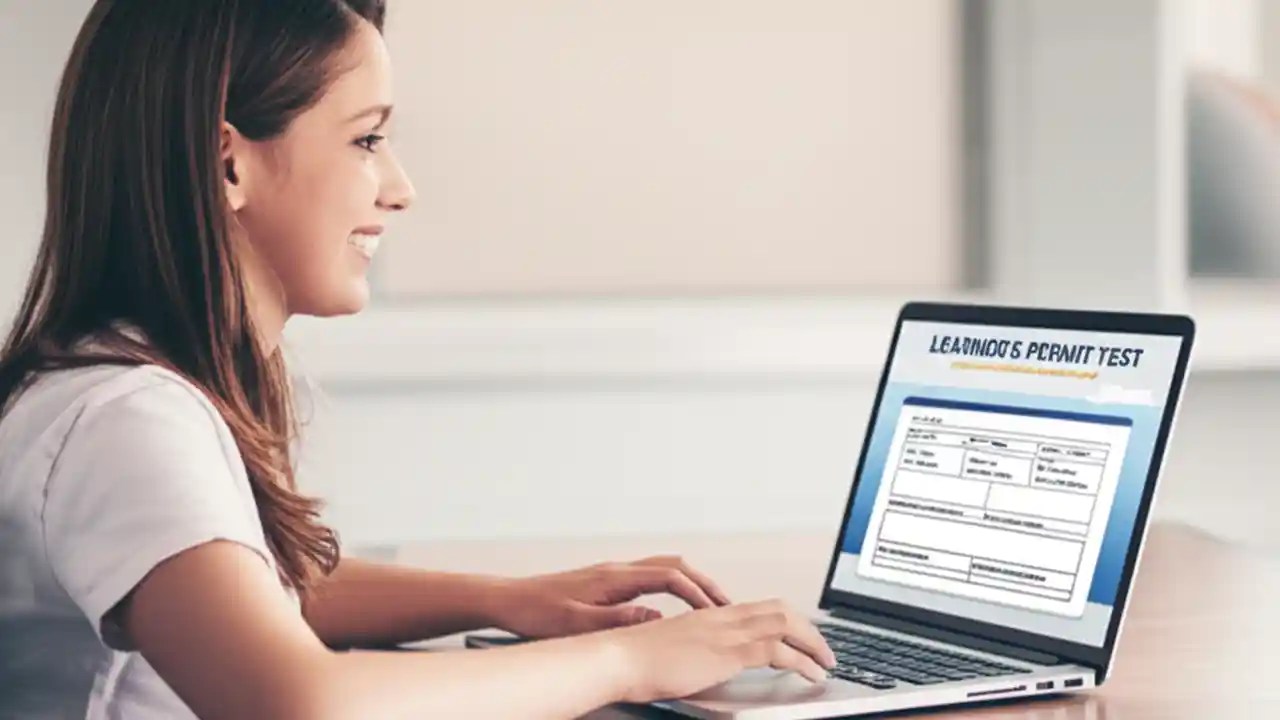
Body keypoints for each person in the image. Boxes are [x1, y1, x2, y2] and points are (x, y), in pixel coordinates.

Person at [0, 1, 835, 718]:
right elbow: (299, 701)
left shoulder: (112, 383)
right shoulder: (126, 422)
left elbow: (249, 593)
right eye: (367, 140)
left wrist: (506, 599)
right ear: (228, 162)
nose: (399, 187)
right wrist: (642, 661)